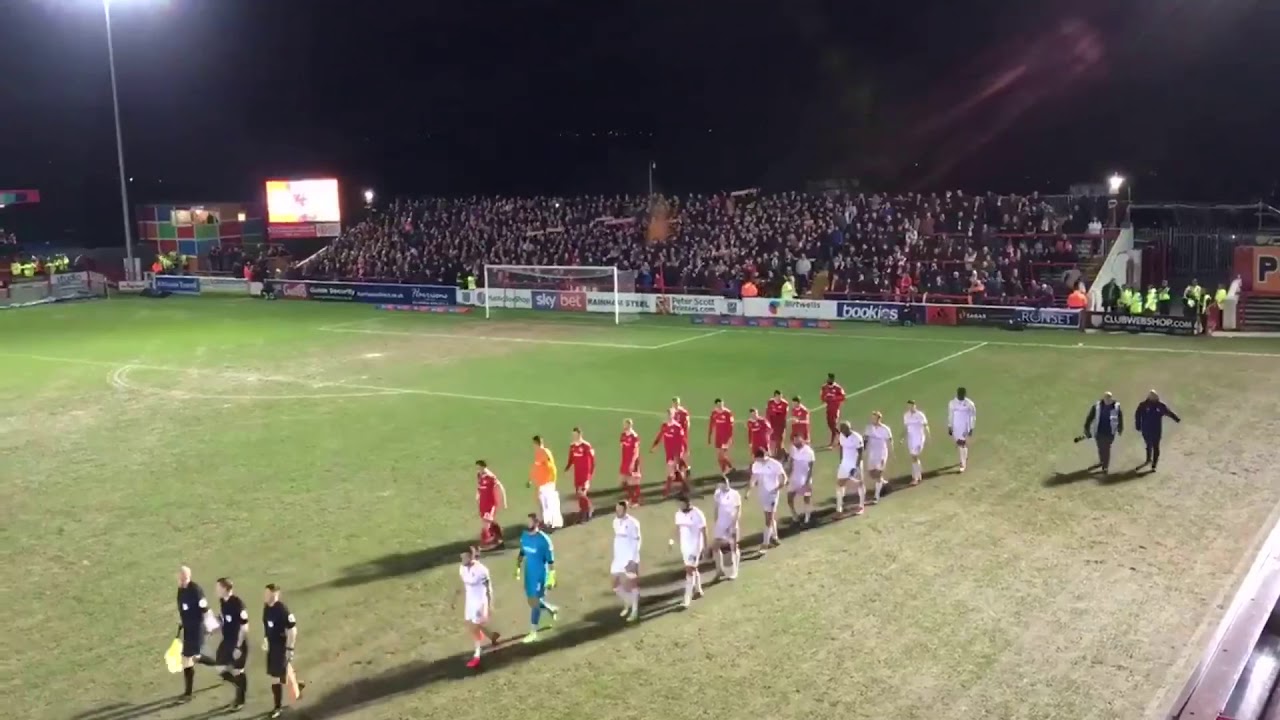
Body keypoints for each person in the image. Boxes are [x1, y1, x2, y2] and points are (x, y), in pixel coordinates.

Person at [515, 513, 559, 643]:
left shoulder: (544, 541)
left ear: (536, 523)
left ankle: (533, 632)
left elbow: (551, 561)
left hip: (541, 575)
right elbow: (522, 552)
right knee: (532, 601)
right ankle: (551, 609)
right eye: (527, 521)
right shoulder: (524, 536)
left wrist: (552, 577)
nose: (528, 524)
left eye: (530, 522)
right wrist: (517, 567)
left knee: (534, 603)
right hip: (529, 575)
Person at [175, 566, 216, 703]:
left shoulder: (196, 591)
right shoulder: (181, 590)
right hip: (188, 629)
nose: (181, 579)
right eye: (180, 576)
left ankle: (188, 694)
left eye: (184, 577)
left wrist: (210, 627)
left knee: (186, 659)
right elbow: (183, 608)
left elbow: (206, 609)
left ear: (189, 576)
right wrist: (182, 620)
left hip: (197, 629)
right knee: (196, 657)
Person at [261, 583, 302, 719]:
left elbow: (292, 630)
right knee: (282, 672)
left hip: (280, 647)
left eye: (267, 594)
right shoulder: (266, 608)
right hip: (271, 646)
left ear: (275, 594)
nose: (265, 596)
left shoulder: (282, 610)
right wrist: (266, 639)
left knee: (275, 677)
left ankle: (277, 707)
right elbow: (267, 626)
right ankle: (296, 688)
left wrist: (290, 648)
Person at [458, 547, 500, 668]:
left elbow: (488, 588)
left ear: (471, 556)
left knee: (475, 626)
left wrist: (490, 603)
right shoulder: (462, 568)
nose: (462, 560)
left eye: (465, 557)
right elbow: (463, 584)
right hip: (470, 601)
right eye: (461, 557)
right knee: (473, 624)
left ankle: (477, 654)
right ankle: (492, 636)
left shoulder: (482, 570)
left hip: (480, 601)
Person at [214, 578, 249, 710]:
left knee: (237, 671)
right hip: (227, 641)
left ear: (225, 589)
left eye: (218, 588)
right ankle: (240, 686)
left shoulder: (238, 604)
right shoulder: (223, 601)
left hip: (238, 643)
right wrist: (215, 626)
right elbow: (224, 618)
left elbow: (245, 627)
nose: (216, 590)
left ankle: (240, 700)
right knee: (219, 668)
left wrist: (238, 646)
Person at [670, 495, 709, 609]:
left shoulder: (697, 514)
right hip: (685, 547)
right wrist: (672, 541)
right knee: (693, 568)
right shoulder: (678, 514)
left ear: (687, 502)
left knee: (689, 571)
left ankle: (687, 599)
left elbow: (704, 530)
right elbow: (677, 528)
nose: (679, 506)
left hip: (695, 546)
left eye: (681, 503)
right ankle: (699, 590)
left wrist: (706, 547)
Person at [746, 447, 787, 551]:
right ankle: (775, 538)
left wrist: (777, 489)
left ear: (762, 457)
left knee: (768, 519)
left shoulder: (775, 464)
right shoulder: (756, 465)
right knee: (770, 516)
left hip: (772, 494)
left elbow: (784, 478)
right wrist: (748, 491)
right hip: (763, 494)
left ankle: (765, 543)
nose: (755, 461)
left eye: (757, 459)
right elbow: (754, 478)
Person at [610, 501, 642, 622]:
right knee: (615, 584)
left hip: (630, 559)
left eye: (619, 510)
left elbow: (637, 542)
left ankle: (634, 611)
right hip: (618, 558)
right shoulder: (615, 522)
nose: (617, 512)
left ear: (625, 510)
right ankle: (628, 603)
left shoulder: (633, 523)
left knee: (631, 585)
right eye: (616, 509)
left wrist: (632, 560)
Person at [1135, 390, 1181, 471]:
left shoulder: (1160, 406)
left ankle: (1154, 465)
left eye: (1156, 397)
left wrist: (1176, 419)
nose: (1155, 398)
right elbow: (1137, 415)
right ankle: (1148, 459)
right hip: (1146, 430)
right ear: (1149, 397)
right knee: (1148, 445)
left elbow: (1168, 412)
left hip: (1156, 430)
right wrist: (1138, 425)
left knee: (1156, 446)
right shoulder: (1143, 405)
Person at [651, 409, 689, 498]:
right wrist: (655, 446)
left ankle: (666, 492)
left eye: (670, 414)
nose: (668, 416)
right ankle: (685, 487)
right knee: (675, 471)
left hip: (676, 452)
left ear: (673, 415)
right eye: (667, 414)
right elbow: (660, 436)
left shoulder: (677, 427)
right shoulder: (664, 426)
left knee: (671, 471)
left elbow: (682, 441)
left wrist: (680, 454)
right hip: (668, 452)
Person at [1083, 391, 1124, 474]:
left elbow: (1120, 418)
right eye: (1106, 398)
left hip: (1110, 432)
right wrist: (1086, 428)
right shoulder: (1097, 406)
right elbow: (1090, 418)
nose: (1108, 400)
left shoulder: (1116, 407)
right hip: (1099, 432)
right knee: (1100, 448)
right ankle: (1102, 461)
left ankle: (1105, 466)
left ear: (1111, 399)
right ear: (1104, 398)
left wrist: (1120, 428)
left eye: (1109, 398)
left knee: (1107, 449)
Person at [711, 476, 743, 580]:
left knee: (734, 547)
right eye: (723, 483)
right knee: (715, 547)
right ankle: (719, 570)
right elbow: (716, 508)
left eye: (726, 482)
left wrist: (733, 524)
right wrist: (716, 522)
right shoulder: (717, 494)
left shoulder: (735, 494)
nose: (725, 484)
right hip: (721, 524)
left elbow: (738, 510)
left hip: (731, 524)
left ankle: (735, 571)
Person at [529, 436, 563, 529]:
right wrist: (532, 480)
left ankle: (551, 523)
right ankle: (548, 522)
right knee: (544, 503)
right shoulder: (541, 453)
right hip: (543, 483)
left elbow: (551, 468)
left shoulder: (543, 453)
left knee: (548, 503)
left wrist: (552, 480)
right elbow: (538, 468)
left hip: (547, 483)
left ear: (536, 443)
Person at [565, 427, 596, 522]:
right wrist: (567, 468)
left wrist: (590, 474)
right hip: (577, 474)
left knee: (582, 492)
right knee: (578, 494)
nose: (573, 436)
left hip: (585, 474)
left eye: (575, 434)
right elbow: (571, 459)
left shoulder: (586, 446)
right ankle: (583, 511)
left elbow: (593, 461)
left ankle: (589, 508)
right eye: (573, 435)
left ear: (580, 434)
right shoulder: (572, 446)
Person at [834, 421, 865, 517]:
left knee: (859, 484)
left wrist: (856, 467)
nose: (842, 431)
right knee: (839, 484)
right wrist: (841, 461)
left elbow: (860, 453)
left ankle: (861, 506)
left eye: (843, 429)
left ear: (848, 428)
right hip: (844, 463)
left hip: (855, 463)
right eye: (841, 430)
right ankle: (839, 509)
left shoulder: (857, 437)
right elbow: (841, 448)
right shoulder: (841, 436)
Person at [475, 460, 507, 550]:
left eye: (479, 467)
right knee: (489, 521)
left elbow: (500, 487)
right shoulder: (479, 475)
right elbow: (479, 486)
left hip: (490, 503)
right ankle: (499, 540)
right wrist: (477, 495)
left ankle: (487, 543)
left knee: (487, 522)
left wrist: (504, 501)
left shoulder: (491, 476)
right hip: (482, 503)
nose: (478, 469)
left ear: (483, 467)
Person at [785, 435, 816, 525]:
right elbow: (791, 463)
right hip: (794, 477)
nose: (795, 444)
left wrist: (807, 481)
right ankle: (794, 514)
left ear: (802, 441)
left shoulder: (809, 452)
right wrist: (787, 477)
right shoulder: (793, 449)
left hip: (805, 477)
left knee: (807, 497)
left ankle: (807, 516)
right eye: (794, 442)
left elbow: (811, 468)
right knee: (789, 498)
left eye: (797, 442)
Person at [863, 411, 894, 504]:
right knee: (872, 473)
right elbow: (865, 439)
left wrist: (891, 453)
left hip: (881, 453)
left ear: (879, 419)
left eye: (874, 418)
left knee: (878, 474)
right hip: (872, 453)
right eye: (872, 418)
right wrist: (863, 450)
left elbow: (890, 441)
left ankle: (876, 497)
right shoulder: (869, 428)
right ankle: (883, 483)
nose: (872, 419)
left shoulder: (885, 429)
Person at [947, 387, 977, 472]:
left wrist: (971, 428)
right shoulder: (952, 403)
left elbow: (973, 416)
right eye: (959, 394)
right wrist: (949, 426)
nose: (960, 396)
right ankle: (965, 456)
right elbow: (950, 415)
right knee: (959, 444)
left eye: (962, 395)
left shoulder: (969, 404)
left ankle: (962, 464)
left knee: (961, 444)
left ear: (964, 394)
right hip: (956, 427)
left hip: (965, 426)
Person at [903, 400, 930, 486]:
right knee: (914, 457)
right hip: (911, 439)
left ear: (915, 406)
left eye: (911, 406)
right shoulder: (906, 415)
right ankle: (919, 474)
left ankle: (916, 478)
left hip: (919, 438)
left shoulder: (920, 415)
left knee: (914, 457)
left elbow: (926, 426)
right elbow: (906, 428)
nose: (910, 407)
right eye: (908, 406)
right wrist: (902, 437)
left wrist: (929, 436)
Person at [707, 398, 736, 478]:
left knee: (721, 455)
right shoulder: (714, 413)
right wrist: (709, 436)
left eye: (721, 404)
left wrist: (730, 437)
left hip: (725, 437)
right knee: (719, 458)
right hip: (718, 437)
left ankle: (729, 468)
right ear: (716, 405)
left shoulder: (728, 413)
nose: (720, 406)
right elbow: (711, 425)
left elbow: (731, 426)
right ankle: (725, 470)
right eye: (719, 404)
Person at [618, 419, 643, 505]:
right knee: (623, 481)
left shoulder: (634, 436)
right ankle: (631, 497)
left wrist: (632, 463)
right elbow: (622, 447)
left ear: (629, 425)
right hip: (625, 461)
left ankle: (636, 500)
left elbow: (636, 451)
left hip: (633, 461)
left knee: (633, 481)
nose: (623, 426)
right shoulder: (623, 435)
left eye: (625, 424)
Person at [820, 373, 847, 449]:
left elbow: (843, 397)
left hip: (835, 409)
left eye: (830, 379)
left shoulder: (838, 388)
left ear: (833, 379)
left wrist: (834, 398)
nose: (828, 380)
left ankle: (832, 443)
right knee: (830, 425)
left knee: (833, 425)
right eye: (828, 378)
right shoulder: (824, 387)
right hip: (828, 409)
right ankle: (842, 437)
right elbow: (822, 397)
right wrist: (825, 398)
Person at [670, 397, 692, 475]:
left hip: (681, 435)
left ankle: (683, 468)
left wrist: (684, 434)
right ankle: (682, 468)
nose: (676, 404)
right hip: (673, 436)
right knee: (674, 453)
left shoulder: (684, 412)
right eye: (674, 402)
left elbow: (688, 423)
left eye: (677, 402)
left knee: (678, 454)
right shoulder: (671, 411)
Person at [766, 390, 789, 455]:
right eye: (778, 396)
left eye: (780, 396)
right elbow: (768, 413)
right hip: (772, 423)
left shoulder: (785, 403)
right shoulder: (770, 402)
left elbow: (784, 414)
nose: (779, 398)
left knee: (780, 439)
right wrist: (768, 423)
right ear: (775, 396)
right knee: (772, 439)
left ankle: (779, 453)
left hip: (780, 424)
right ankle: (780, 453)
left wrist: (783, 424)